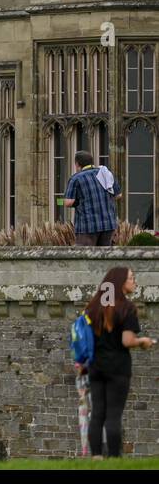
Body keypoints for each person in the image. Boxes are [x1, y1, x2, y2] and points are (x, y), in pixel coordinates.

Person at [83, 266, 154, 458]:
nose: (134, 281)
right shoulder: (126, 308)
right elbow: (127, 341)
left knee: (97, 413)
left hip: (95, 366)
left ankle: (96, 456)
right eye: (131, 278)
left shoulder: (93, 308)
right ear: (120, 282)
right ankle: (115, 459)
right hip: (117, 367)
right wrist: (143, 342)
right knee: (113, 414)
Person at [63, 150, 119, 246]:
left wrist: (63, 201)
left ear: (77, 164)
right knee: (104, 258)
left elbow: (68, 202)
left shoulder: (76, 178)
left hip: (88, 226)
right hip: (108, 225)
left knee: (85, 257)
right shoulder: (105, 174)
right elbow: (118, 195)